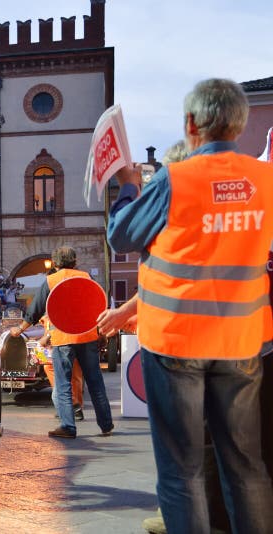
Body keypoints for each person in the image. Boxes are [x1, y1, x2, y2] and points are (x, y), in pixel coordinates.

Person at [108, 78, 273, 533]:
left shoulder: (175, 179)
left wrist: (127, 185)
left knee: (182, 471)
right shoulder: (265, 180)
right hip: (242, 342)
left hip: (177, 342)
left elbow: (122, 236)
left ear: (190, 124)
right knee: (246, 465)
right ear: (239, 125)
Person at [9, 246, 113, 439]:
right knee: (95, 381)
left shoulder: (51, 280)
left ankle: (68, 426)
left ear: (54, 263)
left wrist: (20, 329)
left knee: (63, 383)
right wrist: (102, 333)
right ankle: (106, 424)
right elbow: (97, 306)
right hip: (87, 335)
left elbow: (36, 309)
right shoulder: (87, 278)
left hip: (63, 338)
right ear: (75, 261)